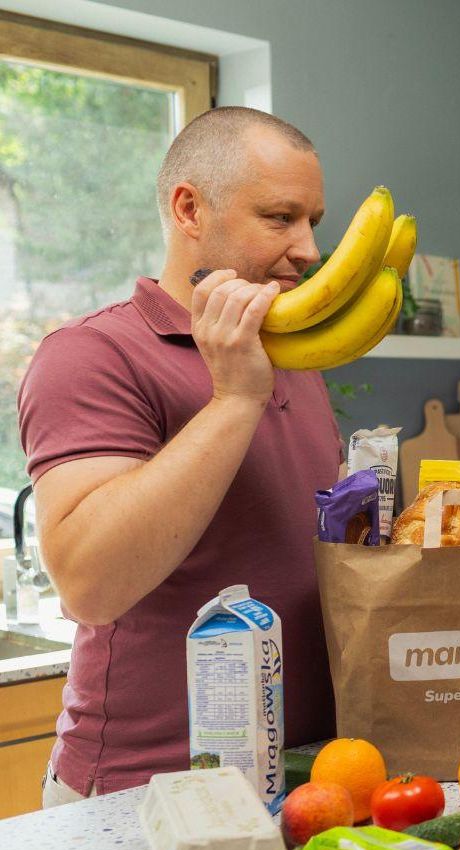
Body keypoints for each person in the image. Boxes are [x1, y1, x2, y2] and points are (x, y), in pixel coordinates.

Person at [19, 107, 343, 804]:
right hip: (145, 791)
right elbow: (90, 584)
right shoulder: (91, 356)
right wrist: (232, 399)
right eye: (281, 218)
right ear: (190, 208)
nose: (309, 248)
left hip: (301, 780)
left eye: (313, 219)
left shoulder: (295, 358)